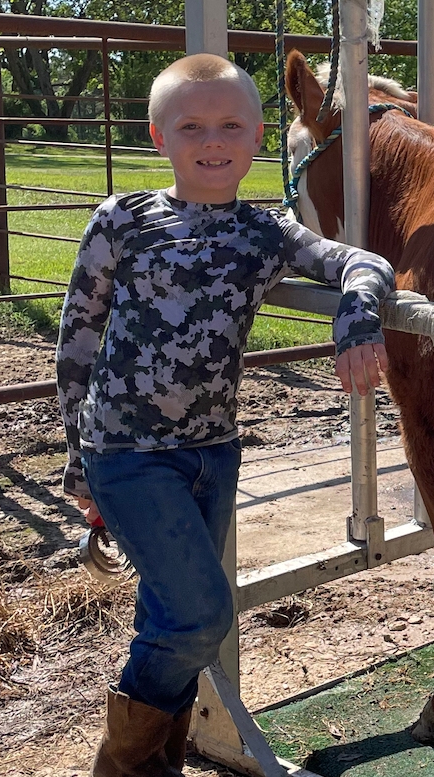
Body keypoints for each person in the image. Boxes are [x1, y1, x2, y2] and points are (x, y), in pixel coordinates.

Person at [56, 53, 391, 776]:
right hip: (126, 451)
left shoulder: (267, 231)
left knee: (169, 618)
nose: (213, 141)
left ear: (260, 135)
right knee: (200, 615)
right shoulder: (122, 220)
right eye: (192, 127)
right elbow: (78, 341)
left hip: (213, 452)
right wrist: (77, 458)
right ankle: (119, 768)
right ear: (159, 137)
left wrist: (357, 320)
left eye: (231, 125)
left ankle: (159, 764)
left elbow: (362, 263)